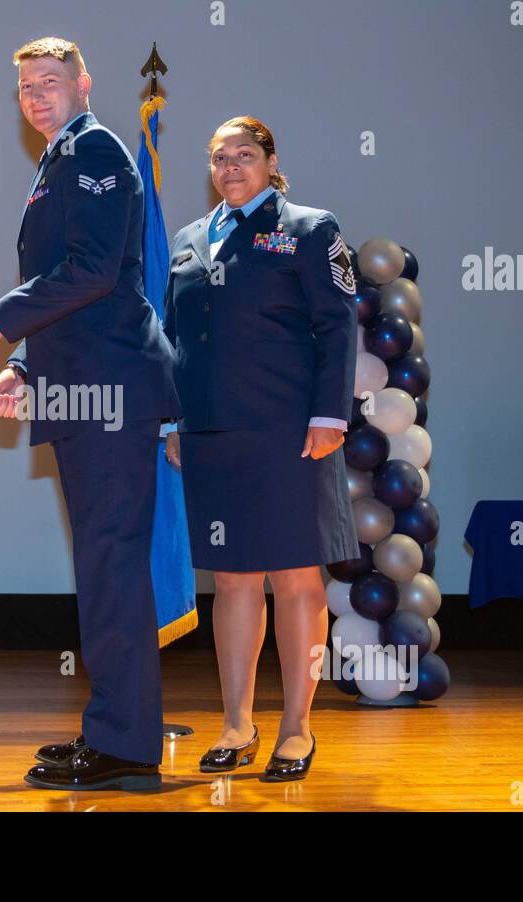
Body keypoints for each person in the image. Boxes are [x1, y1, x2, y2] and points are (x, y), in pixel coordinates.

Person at [0, 37, 181, 791]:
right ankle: (115, 728)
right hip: (83, 383)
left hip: (110, 388)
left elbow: (91, 270)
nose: (37, 95)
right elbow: (74, 284)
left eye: (50, 80)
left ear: (84, 83)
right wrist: (23, 364)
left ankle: (124, 744)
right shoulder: (56, 161)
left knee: (111, 562)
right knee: (102, 562)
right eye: (25, 86)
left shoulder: (96, 149)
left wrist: (0, 322)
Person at [161, 116, 359, 781]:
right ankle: (237, 724)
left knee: (298, 580)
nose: (230, 165)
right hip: (210, 434)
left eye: (243, 154)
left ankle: (298, 728)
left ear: (272, 162)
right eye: (218, 157)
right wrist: (172, 423)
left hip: (291, 431)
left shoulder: (310, 229)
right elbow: (172, 337)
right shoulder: (189, 240)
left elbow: (338, 326)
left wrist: (330, 417)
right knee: (233, 581)